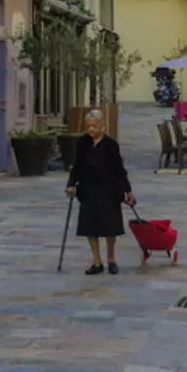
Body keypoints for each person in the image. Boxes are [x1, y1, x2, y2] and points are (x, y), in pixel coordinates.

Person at [65, 110, 136, 275]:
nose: (91, 129)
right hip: (88, 189)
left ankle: (111, 259)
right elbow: (77, 166)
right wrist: (70, 185)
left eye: (94, 126)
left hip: (109, 189)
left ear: (102, 126)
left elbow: (119, 169)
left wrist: (128, 190)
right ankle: (97, 262)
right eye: (88, 126)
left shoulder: (111, 144)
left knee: (110, 227)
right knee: (90, 227)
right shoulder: (82, 143)